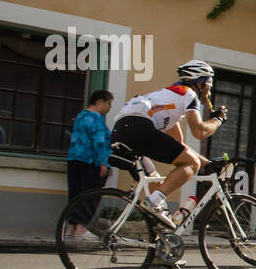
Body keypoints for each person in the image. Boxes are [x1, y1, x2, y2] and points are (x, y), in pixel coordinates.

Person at [109, 60, 227, 225]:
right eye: (209, 85)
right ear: (200, 83)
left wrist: (206, 163)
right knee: (191, 165)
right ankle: (152, 203)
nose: (209, 91)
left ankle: (158, 234)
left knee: (157, 185)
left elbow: (178, 146)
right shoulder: (189, 94)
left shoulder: (167, 100)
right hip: (139, 126)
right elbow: (199, 131)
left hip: (121, 131)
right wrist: (217, 119)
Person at [63, 89, 114, 238]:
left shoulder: (80, 116)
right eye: (108, 103)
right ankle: (82, 228)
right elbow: (98, 142)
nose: (109, 108)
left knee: (76, 194)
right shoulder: (96, 118)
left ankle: (71, 228)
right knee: (90, 195)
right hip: (91, 162)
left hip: (74, 159)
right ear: (99, 102)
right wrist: (103, 163)